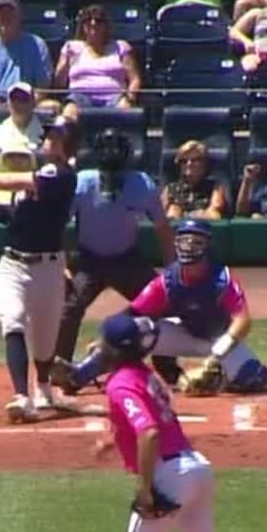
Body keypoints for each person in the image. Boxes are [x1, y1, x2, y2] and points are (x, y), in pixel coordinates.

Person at [89, 310, 265, 532]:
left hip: (171, 473)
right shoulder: (145, 375)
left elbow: (149, 432)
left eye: (104, 341)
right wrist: (112, 439)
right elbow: (150, 421)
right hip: (197, 469)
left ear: (117, 349)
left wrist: (146, 489)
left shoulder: (120, 383)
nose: (98, 345)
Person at [0, 116, 82, 422]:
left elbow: (21, 181)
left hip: (48, 268)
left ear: (68, 144)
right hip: (13, 264)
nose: (50, 140)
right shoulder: (40, 177)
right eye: (49, 136)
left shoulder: (63, 176)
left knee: (45, 341)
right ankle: (21, 396)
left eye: (57, 137)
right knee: (12, 321)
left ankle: (43, 388)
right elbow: (12, 217)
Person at [57, 219, 267, 395]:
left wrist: (217, 356)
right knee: (137, 330)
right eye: (184, 241)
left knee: (255, 378)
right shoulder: (168, 280)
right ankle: (79, 374)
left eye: (196, 241)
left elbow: (243, 320)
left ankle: (217, 380)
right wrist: (105, 341)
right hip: (187, 334)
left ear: (208, 246)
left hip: (221, 340)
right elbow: (133, 313)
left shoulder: (221, 278)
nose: (189, 246)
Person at [50, 128, 180, 391]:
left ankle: (167, 367)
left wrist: (171, 269)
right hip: (89, 259)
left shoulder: (141, 183)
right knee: (69, 307)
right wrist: (62, 266)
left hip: (127, 259)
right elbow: (58, 226)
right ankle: (60, 368)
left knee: (161, 303)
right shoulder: (83, 182)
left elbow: (163, 229)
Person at [54, 3, 144, 119]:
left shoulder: (121, 47)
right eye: (88, 20)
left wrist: (130, 97)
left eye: (98, 20)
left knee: (125, 110)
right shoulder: (72, 47)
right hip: (79, 96)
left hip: (114, 96)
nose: (93, 23)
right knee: (69, 113)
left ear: (106, 25)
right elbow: (59, 82)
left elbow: (135, 79)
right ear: (82, 25)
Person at [0, 81, 45, 205]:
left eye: (23, 100)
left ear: (33, 103)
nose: (18, 104)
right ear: (8, 103)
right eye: (14, 100)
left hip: (37, 198)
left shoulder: (46, 132)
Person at [162, 140, 229, 219]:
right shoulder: (170, 188)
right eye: (183, 161)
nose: (189, 164)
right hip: (177, 229)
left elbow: (216, 209)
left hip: (204, 226)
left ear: (205, 164)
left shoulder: (215, 187)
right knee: (172, 210)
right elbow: (159, 213)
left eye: (195, 160)